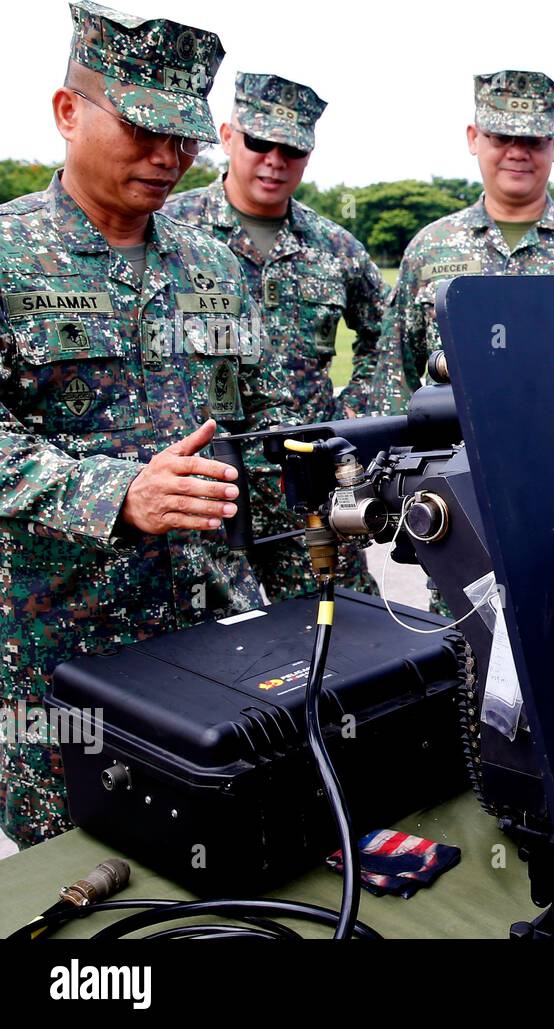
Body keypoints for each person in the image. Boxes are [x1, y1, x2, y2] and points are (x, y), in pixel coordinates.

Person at [0, 1, 291, 848]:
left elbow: (263, 423)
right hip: (63, 655)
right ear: (66, 111)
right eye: (142, 128)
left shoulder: (212, 263)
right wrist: (117, 491)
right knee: (77, 880)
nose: (169, 157)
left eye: (186, 136)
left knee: (213, 854)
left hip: (210, 634)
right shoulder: (9, 255)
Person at [167, 73, 385, 600]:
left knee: (346, 631)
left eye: (292, 149)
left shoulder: (335, 247)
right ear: (225, 136)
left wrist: (349, 418)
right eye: (259, 142)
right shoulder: (171, 229)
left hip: (306, 485)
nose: (274, 160)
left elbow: (387, 342)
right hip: (203, 487)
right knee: (215, 654)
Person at [376, 69, 554, 415]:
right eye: (500, 137)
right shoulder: (428, 250)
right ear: (473, 138)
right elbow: (395, 381)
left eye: (533, 140)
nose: (517, 153)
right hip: (452, 463)